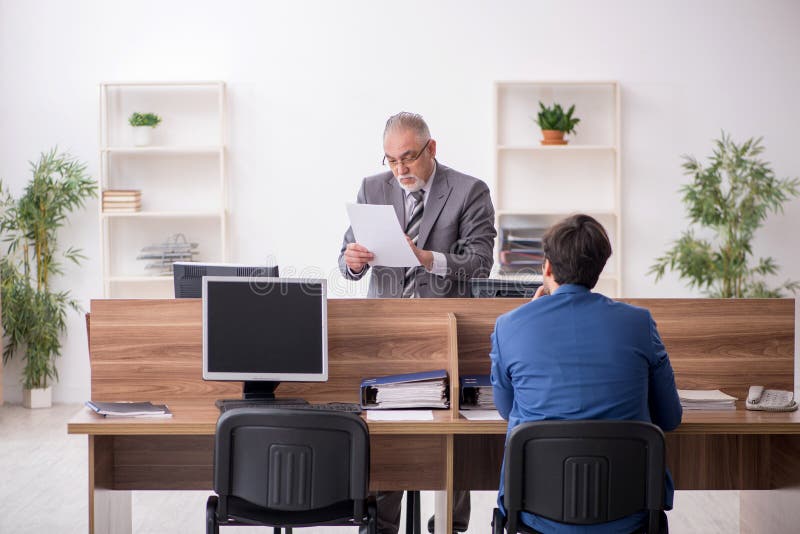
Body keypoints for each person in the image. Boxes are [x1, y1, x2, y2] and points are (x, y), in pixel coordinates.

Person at [340, 112, 496, 533]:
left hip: (445, 336)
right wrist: (351, 262)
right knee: (386, 432)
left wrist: (429, 258)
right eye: (391, 160)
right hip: (386, 335)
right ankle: (382, 523)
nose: (400, 170)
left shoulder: (469, 191)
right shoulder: (373, 187)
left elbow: (481, 265)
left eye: (408, 158)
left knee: (448, 437)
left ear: (431, 148)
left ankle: (448, 523)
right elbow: (346, 257)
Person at [490, 214, 682, 533]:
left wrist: (530, 314)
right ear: (598, 268)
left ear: (547, 268)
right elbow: (670, 417)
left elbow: (505, 409)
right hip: (629, 515)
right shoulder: (639, 323)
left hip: (536, 517)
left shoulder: (509, 326)